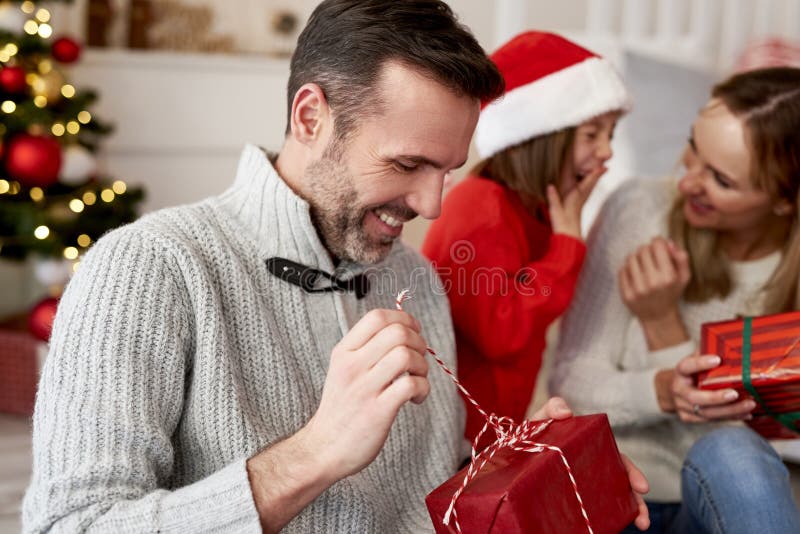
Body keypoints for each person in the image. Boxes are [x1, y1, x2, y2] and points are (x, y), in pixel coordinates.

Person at [22, 1, 649, 533]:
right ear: (310, 117)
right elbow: (72, 524)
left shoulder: (414, 281)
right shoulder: (150, 268)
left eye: (447, 171)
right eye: (407, 165)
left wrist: (524, 471)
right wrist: (316, 452)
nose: (432, 205)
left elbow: (429, 493)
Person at [549, 66, 800, 533]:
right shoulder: (638, 210)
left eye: (722, 180)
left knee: (734, 453)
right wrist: (661, 388)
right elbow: (570, 385)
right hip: (617, 496)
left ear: (785, 201)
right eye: (693, 147)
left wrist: (663, 326)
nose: (687, 182)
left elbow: (752, 459)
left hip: (725, 509)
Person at [422, 31, 630, 441]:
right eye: (592, 134)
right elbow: (504, 334)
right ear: (540, 139)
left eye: (611, 135)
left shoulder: (533, 209)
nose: (607, 151)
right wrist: (567, 244)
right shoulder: (481, 207)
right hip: (456, 432)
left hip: (494, 423)